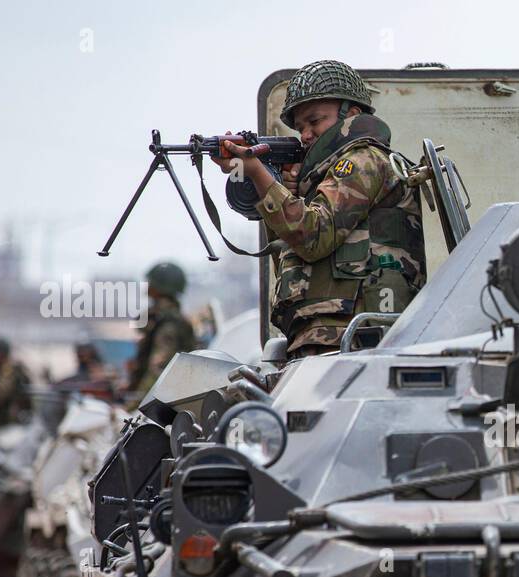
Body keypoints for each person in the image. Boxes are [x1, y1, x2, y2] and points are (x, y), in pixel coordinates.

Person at [212, 59, 426, 357]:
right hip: (326, 332)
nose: (306, 134)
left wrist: (258, 172)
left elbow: (314, 236)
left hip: (352, 335)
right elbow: (293, 249)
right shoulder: (323, 176)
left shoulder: (362, 160)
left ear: (351, 114)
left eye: (315, 121)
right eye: (300, 127)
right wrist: (286, 190)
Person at [128, 261, 197, 398]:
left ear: (158, 287)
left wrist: (134, 405)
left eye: (150, 282)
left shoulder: (168, 323)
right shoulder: (164, 318)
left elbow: (158, 369)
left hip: (157, 401)